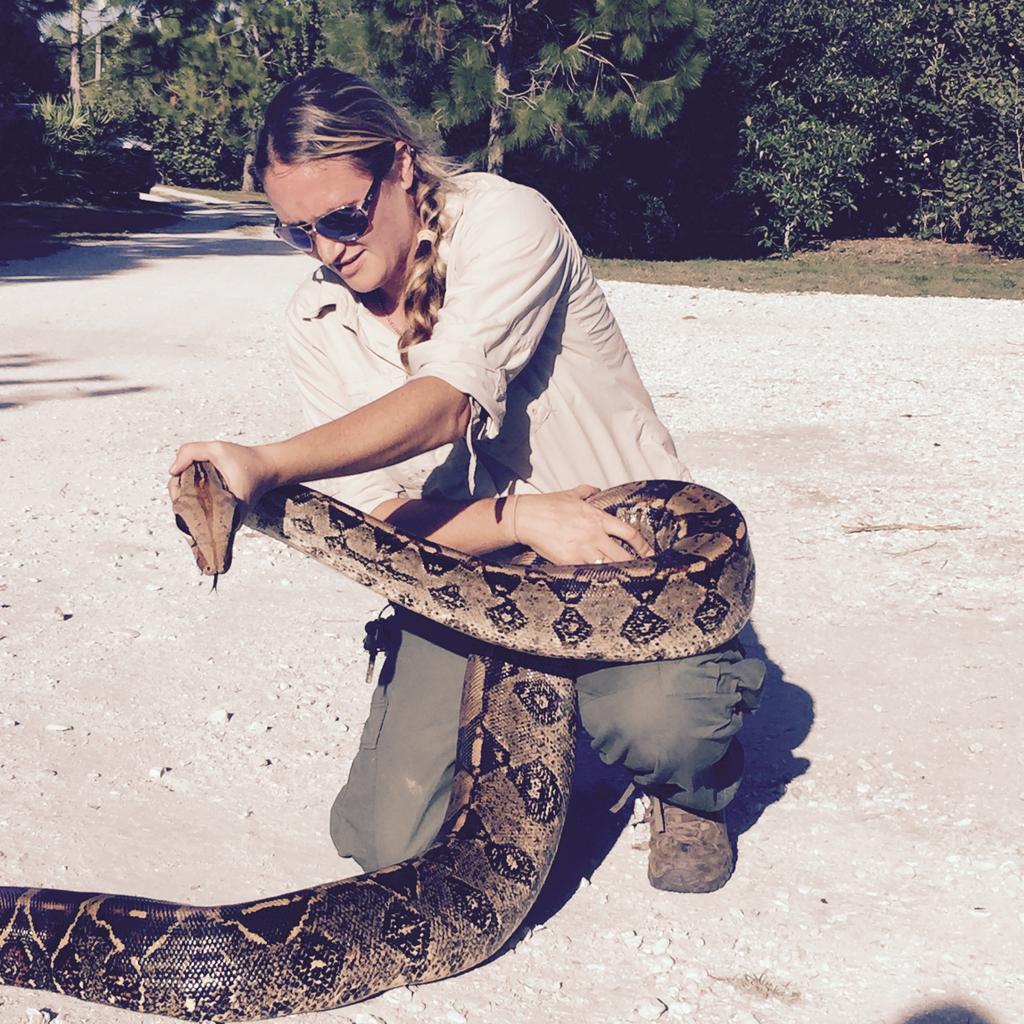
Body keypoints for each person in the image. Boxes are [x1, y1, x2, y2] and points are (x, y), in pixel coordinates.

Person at [168, 66, 765, 894]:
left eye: (344, 217)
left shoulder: (506, 222)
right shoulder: (318, 319)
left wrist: (270, 464)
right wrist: (519, 518)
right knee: (392, 846)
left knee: (658, 726)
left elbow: (448, 402)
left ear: (402, 166)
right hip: (477, 566)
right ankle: (552, 710)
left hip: (621, 548)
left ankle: (690, 785)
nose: (330, 251)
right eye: (298, 232)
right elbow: (388, 516)